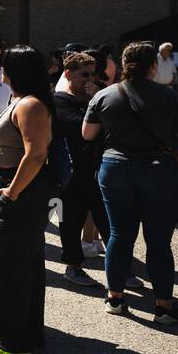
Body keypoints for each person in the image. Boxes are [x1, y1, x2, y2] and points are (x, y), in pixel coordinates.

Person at [83, 41, 178, 324]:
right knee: (158, 241)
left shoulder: (105, 95)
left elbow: (88, 134)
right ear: (153, 65)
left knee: (118, 235)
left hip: (115, 168)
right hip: (160, 172)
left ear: (124, 63)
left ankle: (115, 297)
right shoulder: (172, 98)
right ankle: (164, 306)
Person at [0, 46, 56, 354]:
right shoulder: (24, 101)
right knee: (24, 263)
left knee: (6, 266)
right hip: (17, 187)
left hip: (21, 190)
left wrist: (13, 191)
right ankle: (26, 333)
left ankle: (12, 339)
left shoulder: (31, 105)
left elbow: (36, 153)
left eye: (4, 64)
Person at [53, 51, 110, 287]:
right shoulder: (59, 101)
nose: (91, 79)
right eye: (84, 74)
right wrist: (96, 103)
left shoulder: (95, 98)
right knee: (71, 223)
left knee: (107, 222)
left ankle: (120, 267)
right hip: (71, 174)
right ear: (68, 74)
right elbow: (83, 129)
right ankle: (73, 267)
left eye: (93, 74)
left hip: (98, 171)